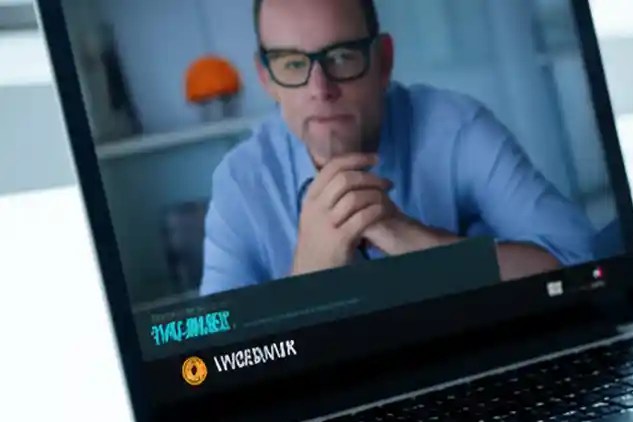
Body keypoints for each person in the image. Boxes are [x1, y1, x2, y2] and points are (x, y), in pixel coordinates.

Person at [200, 0, 600, 296]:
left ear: (384, 61)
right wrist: (309, 277)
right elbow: (207, 364)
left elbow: (587, 267)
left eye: (341, 57)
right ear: (266, 78)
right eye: (291, 64)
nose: (320, 90)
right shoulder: (239, 182)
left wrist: (412, 240)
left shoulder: (457, 128)